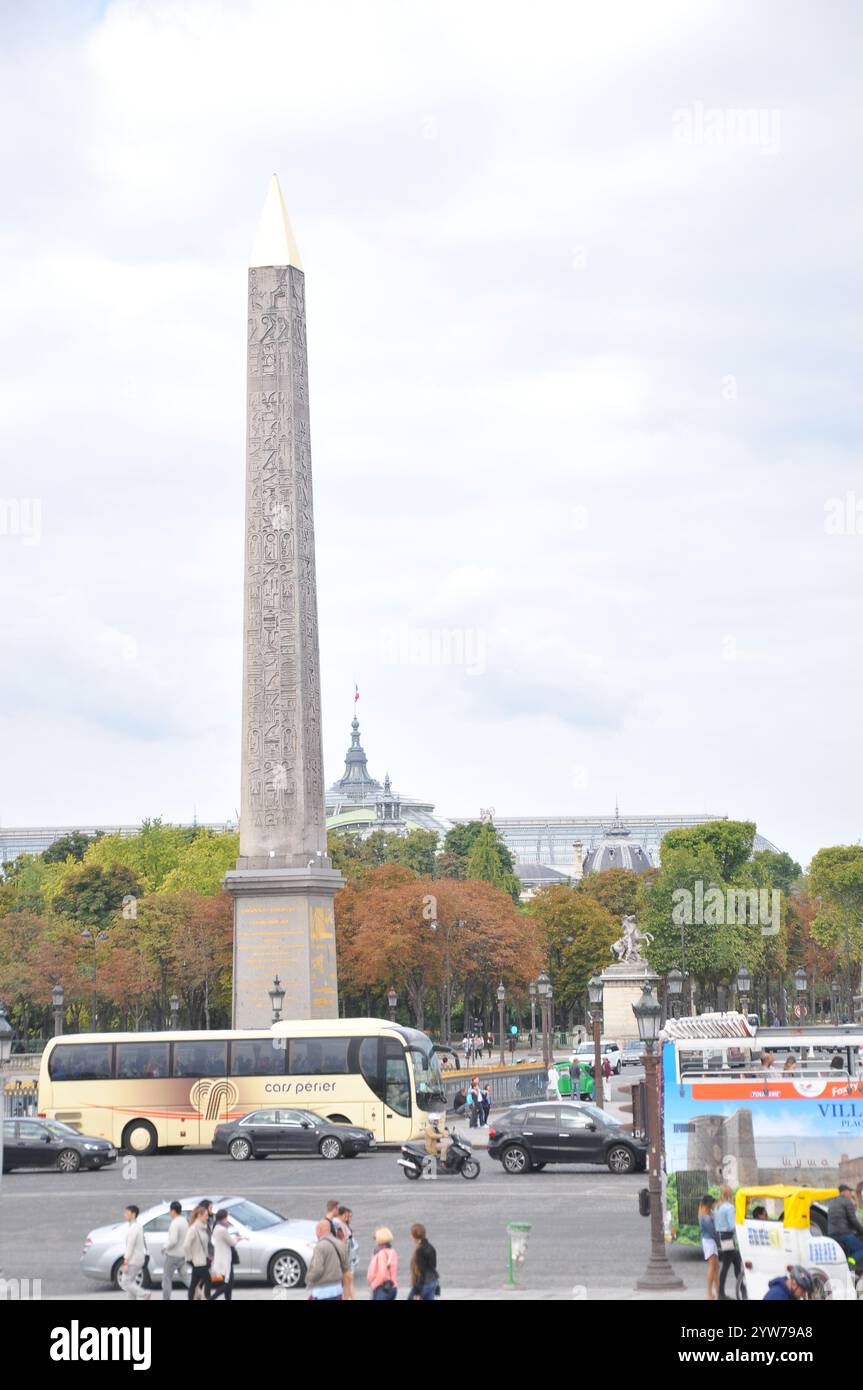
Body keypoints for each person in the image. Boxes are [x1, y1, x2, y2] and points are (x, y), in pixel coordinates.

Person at [306, 1218, 351, 1301]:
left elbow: (317, 1269)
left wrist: (308, 1278)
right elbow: (346, 1269)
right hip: (337, 1290)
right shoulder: (340, 1244)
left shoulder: (320, 1246)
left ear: (319, 1230)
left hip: (322, 1291)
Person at [715, 1184, 744, 1300]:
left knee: (736, 1263)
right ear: (729, 1194)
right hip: (728, 1237)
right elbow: (732, 1225)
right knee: (727, 1265)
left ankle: (743, 1290)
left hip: (720, 1236)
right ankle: (721, 1293)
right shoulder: (729, 1207)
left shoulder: (718, 1206)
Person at [210, 1208, 244, 1302]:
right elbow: (232, 1243)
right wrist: (238, 1239)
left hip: (222, 1259)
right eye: (226, 1218)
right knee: (228, 1284)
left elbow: (225, 1240)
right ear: (223, 1218)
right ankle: (211, 1298)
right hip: (225, 1260)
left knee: (227, 1283)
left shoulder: (217, 1227)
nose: (227, 1220)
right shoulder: (222, 1230)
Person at [825, 1185, 863, 1267]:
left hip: (832, 1234)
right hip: (843, 1233)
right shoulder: (847, 1201)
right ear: (845, 1192)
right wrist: (861, 1230)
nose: (850, 1194)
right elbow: (853, 1220)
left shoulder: (832, 1202)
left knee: (848, 1250)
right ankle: (849, 1264)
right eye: (850, 1192)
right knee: (860, 1249)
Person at [120, 1204, 151, 1300]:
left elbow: (130, 1245)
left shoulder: (134, 1227)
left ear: (133, 1214)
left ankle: (144, 1293)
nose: (125, 1215)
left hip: (134, 1260)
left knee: (125, 1282)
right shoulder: (136, 1226)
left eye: (127, 1213)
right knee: (131, 1282)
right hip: (138, 1258)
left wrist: (126, 1261)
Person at [162, 1200, 190, 1300]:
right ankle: (197, 1292)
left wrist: (165, 1247)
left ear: (173, 1211)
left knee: (167, 1280)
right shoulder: (184, 1221)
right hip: (183, 1254)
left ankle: (166, 1298)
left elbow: (173, 1240)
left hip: (173, 1255)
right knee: (185, 1277)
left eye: (170, 1211)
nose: (169, 1213)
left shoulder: (174, 1223)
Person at [184, 1204, 212, 1301]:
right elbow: (186, 1245)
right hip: (198, 1261)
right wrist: (189, 1259)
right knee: (208, 1280)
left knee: (194, 1283)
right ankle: (207, 1297)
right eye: (206, 1215)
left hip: (202, 1260)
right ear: (199, 1215)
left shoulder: (202, 1228)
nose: (207, 1218)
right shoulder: (193, 1229)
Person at [407, 1222, 439, 1300]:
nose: (410, 1236)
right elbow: (433, 1267)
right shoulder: (431, 1247)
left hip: (424, 1284)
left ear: (414, 1235)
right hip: (433, 1282)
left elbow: (421, 1272)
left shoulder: (420, 1250)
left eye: (411, 1234)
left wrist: (417, 1292)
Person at [367, 1227, 398, 1301]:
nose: (375, 1239)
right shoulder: (392, 1251)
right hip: (392, 1287)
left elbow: (382, 1274)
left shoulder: (381, 1253)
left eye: (376, 1237)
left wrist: (373, 1285)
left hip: (382, 1288)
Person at [699, 1195, 719, 1301]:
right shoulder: (706, 1216)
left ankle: (716, 1291)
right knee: (713, 1267)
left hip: (709, 1241)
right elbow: (713, 1231)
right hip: (709, 1241)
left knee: (716, 1267)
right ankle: (709, 1293)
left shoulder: (705, 1214)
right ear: (708, 1204)